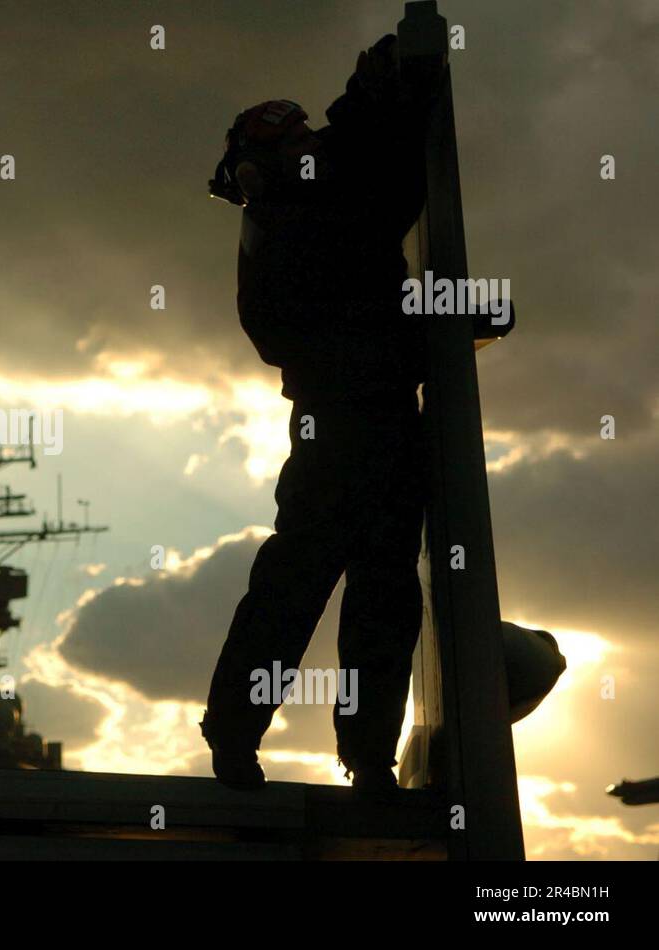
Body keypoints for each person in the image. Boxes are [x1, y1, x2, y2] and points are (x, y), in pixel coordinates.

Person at [202, 34, 439, 796]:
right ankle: (240, 736)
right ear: (259, 165)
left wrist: (371, 92)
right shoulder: (290, 220)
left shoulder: (313, 194)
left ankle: (367, 754)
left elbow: (360, 160)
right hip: (340, 424)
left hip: (381, 421)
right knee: (300, 582)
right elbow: (367, 193)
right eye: (292, 138)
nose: (310, 144)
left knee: (381, 593)